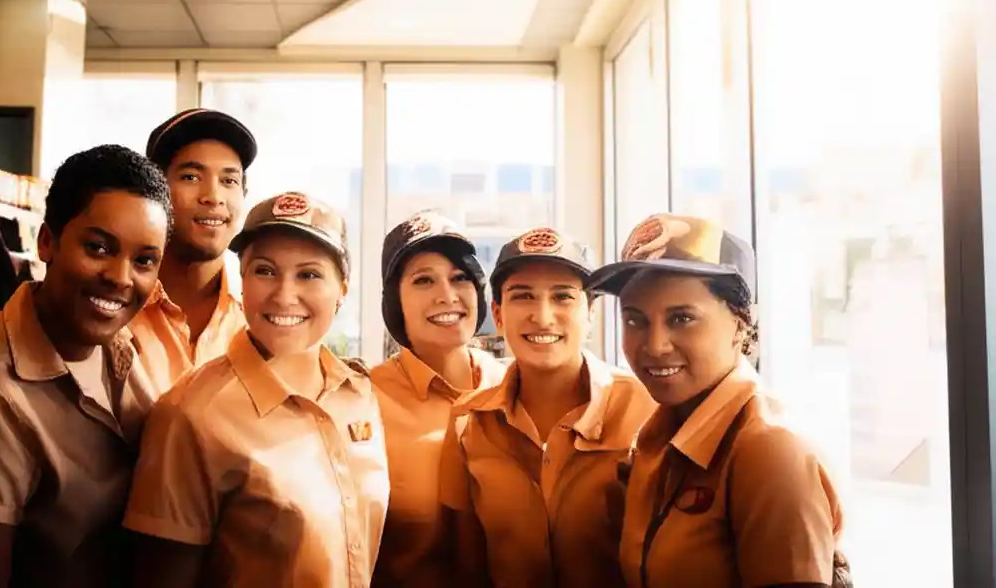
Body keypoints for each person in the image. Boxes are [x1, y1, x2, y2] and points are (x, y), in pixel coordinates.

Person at [0, 144, 173, 587]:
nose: (122, 278)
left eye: (143, 261)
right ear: (47, 242)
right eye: (99, 247)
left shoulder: (117, 348)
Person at [124, 191, 389, 588]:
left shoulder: (360, 396)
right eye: (265, 271)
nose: (284, 295)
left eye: (309, 274)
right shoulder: (189, 414)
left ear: (343, 291)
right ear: (242, 281)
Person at [588, 213, 847, 588]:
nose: (655, 345)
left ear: (741, 324)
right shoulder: (655, 439)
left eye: (681, 319)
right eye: (635, 321)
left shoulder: (768, 450)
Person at [439, 227, 656, 587]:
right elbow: (466, 565)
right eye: (523, 296)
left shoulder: (644, 409)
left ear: (590, 312)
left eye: (562, 297)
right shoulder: (467, 421)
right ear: (499, 312)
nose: (542, 316)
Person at [370, 210, 507, 588]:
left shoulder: (516, 386)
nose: (446, 295)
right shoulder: (361, 401)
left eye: (460, 277)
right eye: (423, 280)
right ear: (395, 301)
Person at [130, 108, 258, 392]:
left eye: (229, 181)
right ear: (156, 190)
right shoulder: (115, 304)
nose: (213, 197)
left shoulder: (259, 318)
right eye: (191, 177)